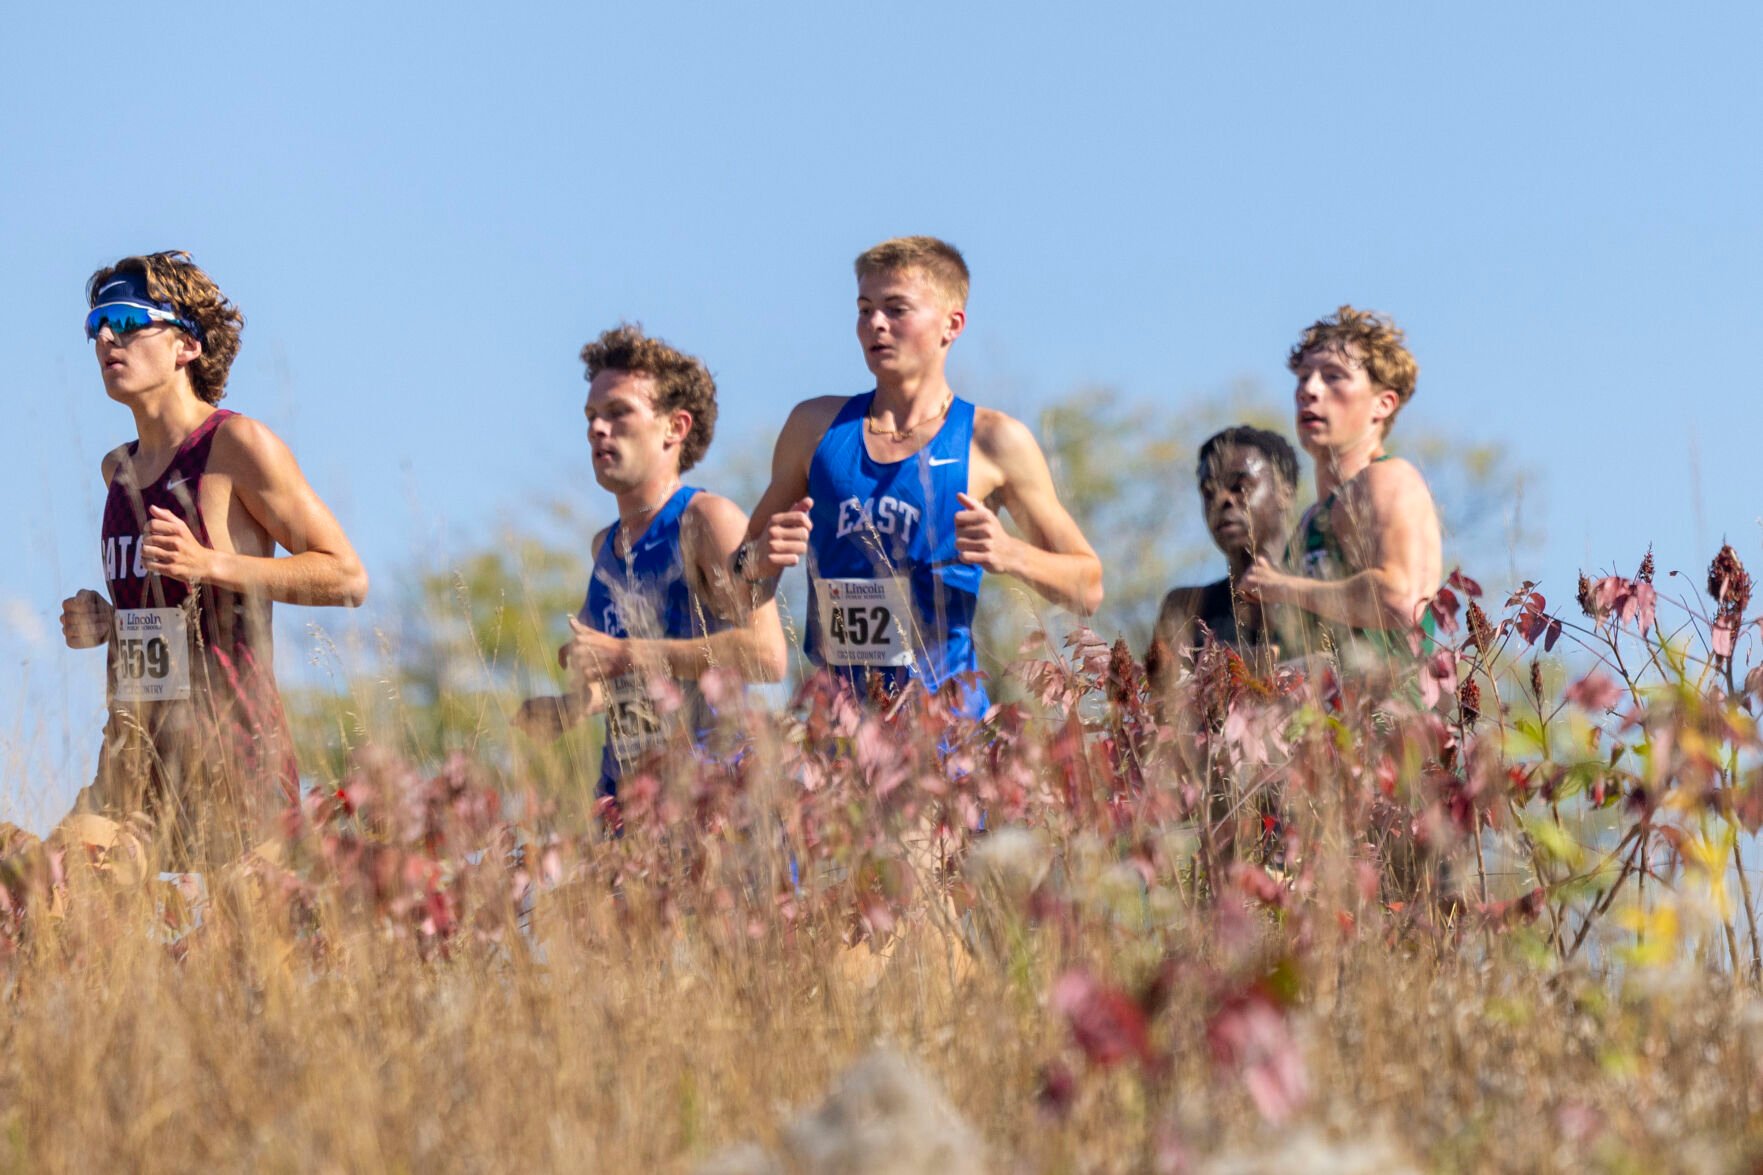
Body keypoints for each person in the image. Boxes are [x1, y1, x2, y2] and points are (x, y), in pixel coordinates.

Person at [58, 251, 368, 864]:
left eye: (127, 321)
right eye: (97, 325)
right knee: (53, 893)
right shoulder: (116, 471)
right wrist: (108, 623)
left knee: (239, 930)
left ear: (187, 345)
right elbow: (168, 624)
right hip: (131, 764)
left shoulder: (236, 445)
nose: (107, 339)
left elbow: (347, 576)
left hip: (233, 764)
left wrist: (212, 564)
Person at [735, 236, 1102, 715]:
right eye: (864, 309)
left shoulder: (992, 441)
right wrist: (757, 562)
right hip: (838, 731)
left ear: (952, 325)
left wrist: (1010, 552)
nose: (875, 324)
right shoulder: (814, 429)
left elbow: (1087, 587)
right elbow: (729, 582)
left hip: (948, 730)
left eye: (896, 309)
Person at [515, 325, 787, 800]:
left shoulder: (707, 520)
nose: (597, 429)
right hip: (627, 807)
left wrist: (628, 653)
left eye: (619, 412)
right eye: (592, 416)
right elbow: (620, 679)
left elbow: (767, 656)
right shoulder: (604, 546)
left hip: (710, 801)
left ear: (675, 428)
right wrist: (573, 705)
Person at [1240, 305, 1443, 667]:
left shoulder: (1388, 478)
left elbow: (1399, 600)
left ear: (1383, 404)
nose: (1309, 390)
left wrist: (1282, 586)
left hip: (1388, 703)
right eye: (1303, 377)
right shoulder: (1309, 521)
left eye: (1333, 376)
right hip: (1323, 703)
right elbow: (1307, 654)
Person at [1146, 425, 1299, 689]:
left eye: (1240, 487)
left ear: (1285, 493)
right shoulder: (1186, 607)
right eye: (1209, 492)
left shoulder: (1322, 590)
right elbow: (1165, 703)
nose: (1222, 500)